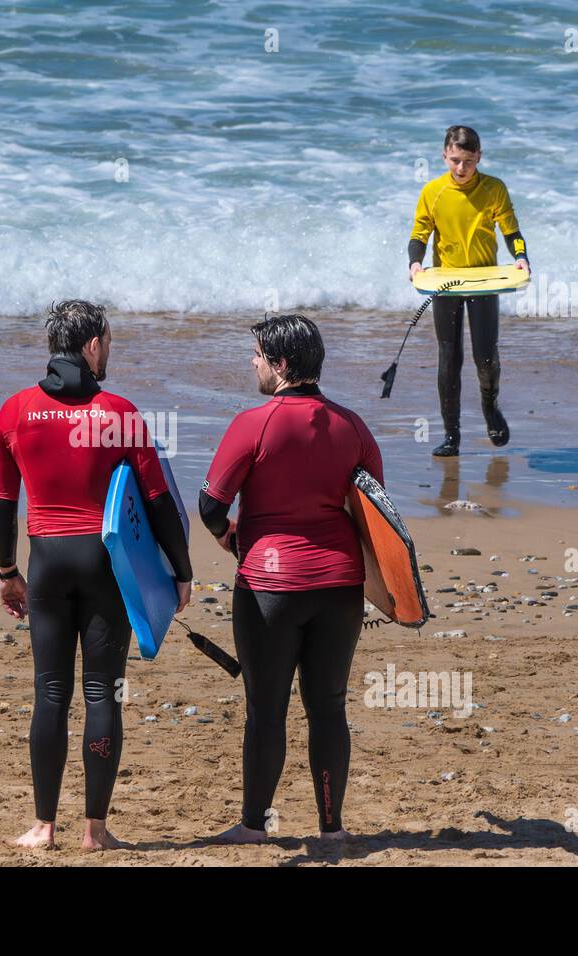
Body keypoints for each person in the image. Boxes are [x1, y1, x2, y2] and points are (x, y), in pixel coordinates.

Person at [0, 299, 193, 850]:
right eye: (110, 340)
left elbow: (3, 505)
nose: (111, 351)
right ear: (92, 345)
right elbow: (156, 502)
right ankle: (95, 832)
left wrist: (8, 573)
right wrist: (181, 572)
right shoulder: (120, 413)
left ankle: (42, 827)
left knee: (50, 692)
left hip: (47, 563)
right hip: (107, 566)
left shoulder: (14, 412)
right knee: (103, 691)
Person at [198, 314, 383, 844]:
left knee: (267, 709)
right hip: (340, 588)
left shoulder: (253, 423)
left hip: (269, 587)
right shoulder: (353, 426)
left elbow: (212, 503)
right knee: (327, 708)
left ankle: (254, 826)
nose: (251, 362)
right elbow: (375, 511)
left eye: (257, 354)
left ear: (280, 365)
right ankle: (332, 828)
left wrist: (230, 537)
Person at [408, 125, 530, 457]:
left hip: (484, 281)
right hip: (446, 284)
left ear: (479, 157)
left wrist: (520, 257)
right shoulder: (433, 192)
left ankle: (490, 408)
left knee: (485, 356)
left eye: (469, 162)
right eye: (455, 160)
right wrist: (416, 264)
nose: (461, 169)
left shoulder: (494, 189)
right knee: (449, 358)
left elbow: (511, 229)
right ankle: (452, 436)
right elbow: (420, 233)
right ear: (444, 156)